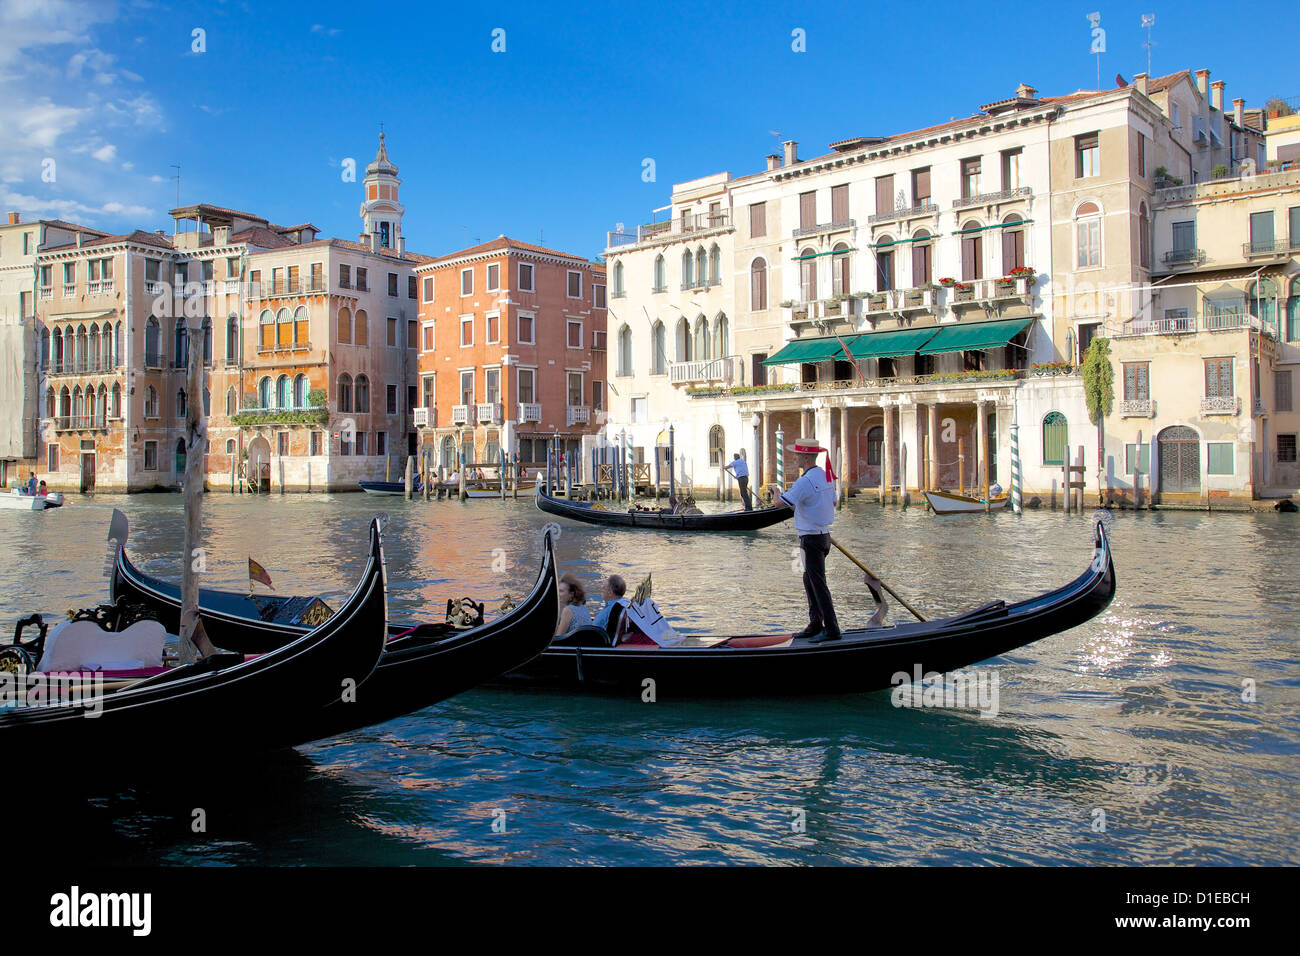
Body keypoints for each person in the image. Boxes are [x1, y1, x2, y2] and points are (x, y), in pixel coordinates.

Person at [779, 437, 841, 643]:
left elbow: (781, 503)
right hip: (823, 537)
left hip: (811, 539)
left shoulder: (805, 481)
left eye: (797, 454)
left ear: (805, 457)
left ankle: (832, 629)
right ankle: (816, 623)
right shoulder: (825, 476)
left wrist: (775, 493)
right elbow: (833, 501)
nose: (795, 457)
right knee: (809, 580)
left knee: (817, 583)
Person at [554, 572, 593, 637]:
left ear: (571, 594)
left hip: (572, 645)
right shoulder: (584, 607)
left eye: (561, 591)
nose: (558, 594)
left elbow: (558, 636)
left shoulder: (568, 610)